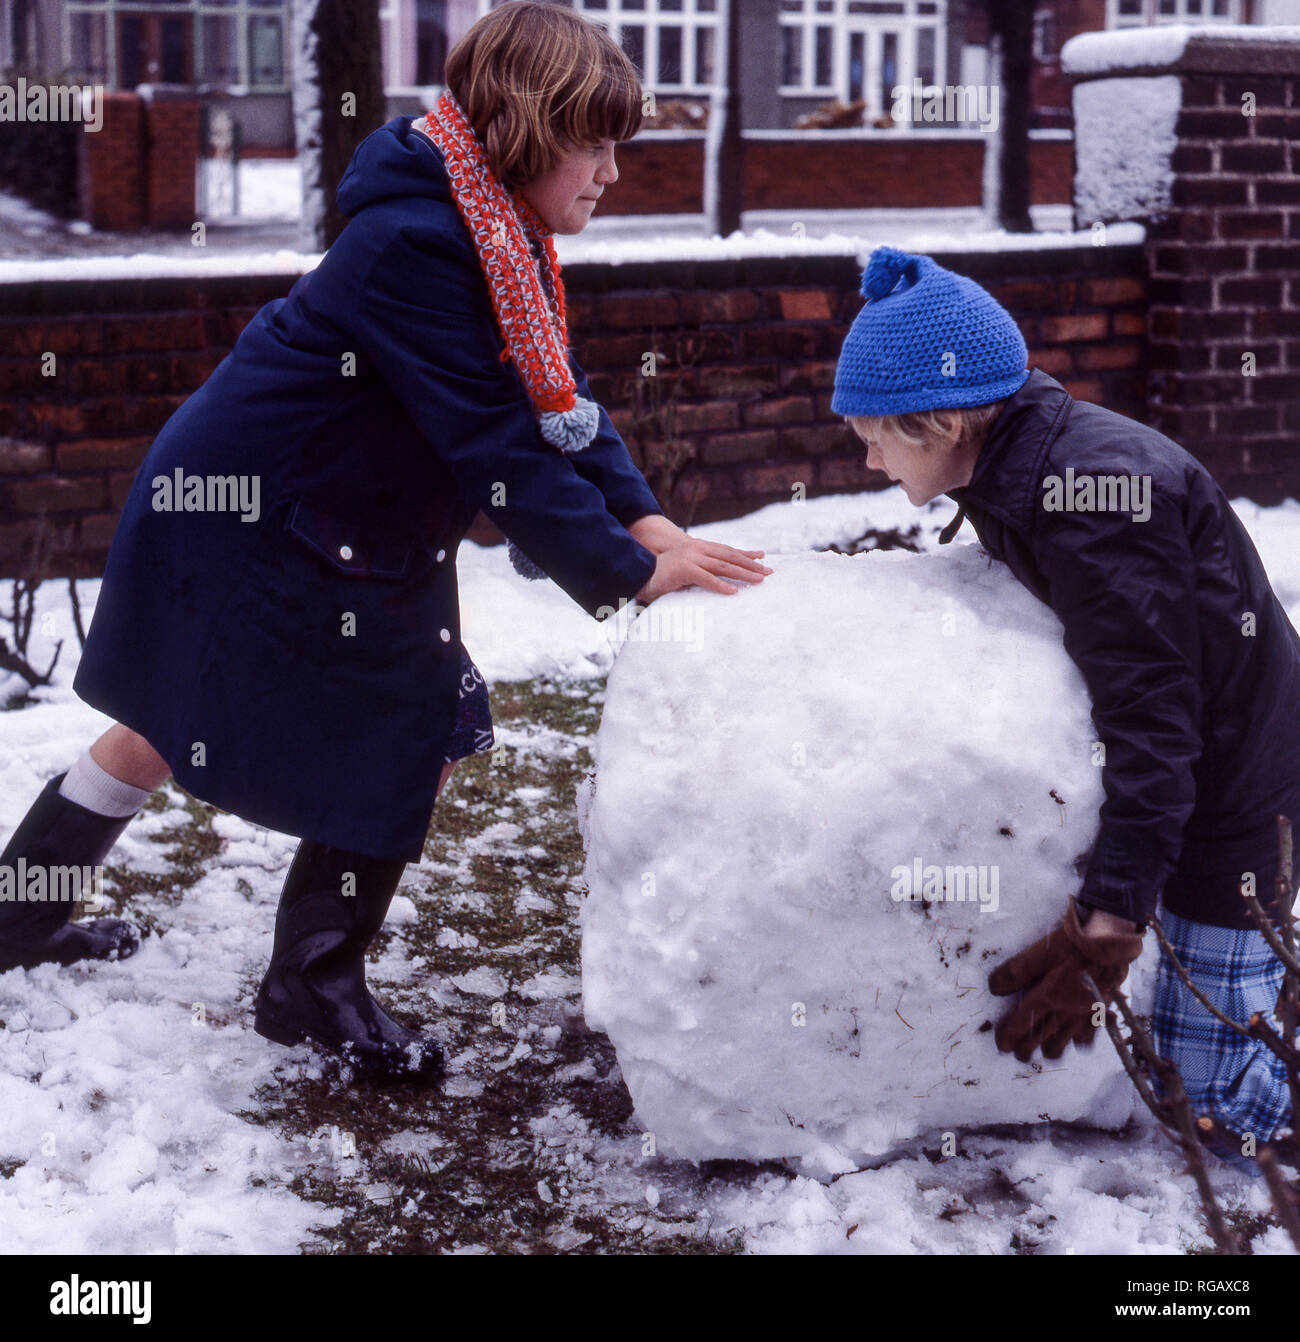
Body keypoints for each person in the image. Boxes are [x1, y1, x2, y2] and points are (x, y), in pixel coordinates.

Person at [0, 1, 769, 1085]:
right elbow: (496, 439)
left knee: (171, 717)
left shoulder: (487, 230)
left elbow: (555, 395)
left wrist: (638, 514)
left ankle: (16, 921)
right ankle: (310, 987)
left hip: (302, 511)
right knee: (400, 726)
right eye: (592, 144)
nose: (609, 171)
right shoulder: (419, 241)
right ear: (527, 130)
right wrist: (630, 572)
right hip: (260, 521)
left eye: (615, 146)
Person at [831, 244, 1300, 1150]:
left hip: (1241, 795)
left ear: (939, 420)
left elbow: (1156, 721)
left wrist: (1110, 923)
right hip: (1223, 770)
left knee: (1212, 1100)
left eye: (875, 433)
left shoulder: (1086, 497)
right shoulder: (1026, 463)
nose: (868, 459)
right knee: (1233, 1020)